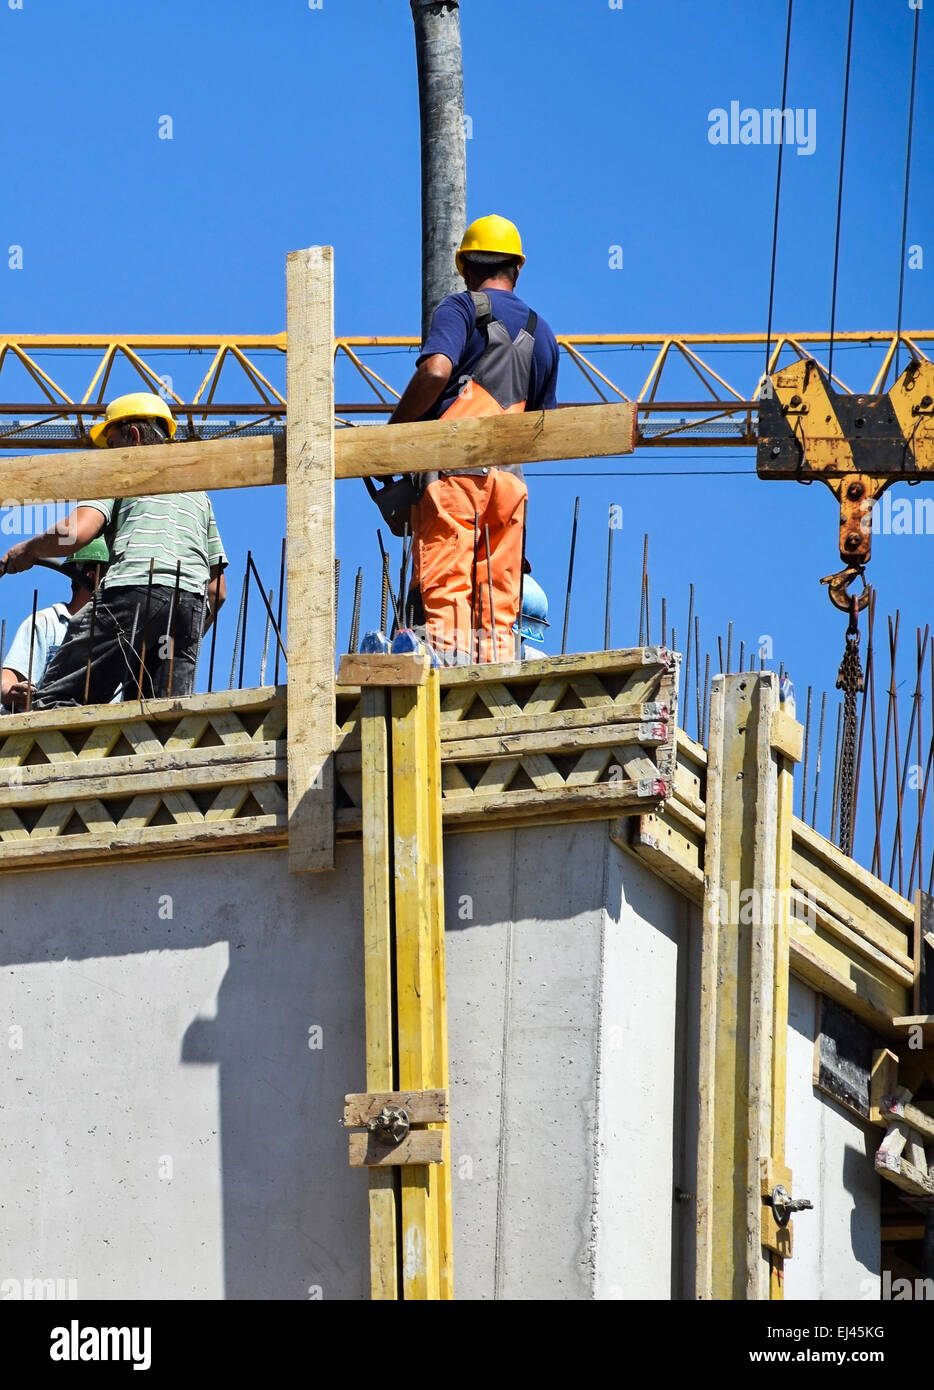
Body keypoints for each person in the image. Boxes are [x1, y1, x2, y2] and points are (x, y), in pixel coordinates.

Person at [386, 214, 559, 664]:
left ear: (464, 267)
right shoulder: (542, 333)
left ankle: (448, 672)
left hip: (456, 477)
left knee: (446, 587)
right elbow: (541, 426)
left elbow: (436, 370)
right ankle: (496, 680)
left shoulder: (460, 308)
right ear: (516, 270)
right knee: (500, 600)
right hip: (510, 487)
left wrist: (395, 434)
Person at [0, 392, 228, 706]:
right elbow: (217, 592)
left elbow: (76, 532)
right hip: (188, 607)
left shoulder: (120, 470)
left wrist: (29, 549)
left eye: (111, 444)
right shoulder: (198, 493)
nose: (108, 453)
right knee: (158, 720)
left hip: (131, 592)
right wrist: (179, 640)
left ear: (132, 435)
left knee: (58, 700)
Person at [1, 540, 109, 711]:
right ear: (93, 576)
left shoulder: (117, 629)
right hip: (46, 727)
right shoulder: (46, 622)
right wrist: (11, 692)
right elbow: (9, 677)